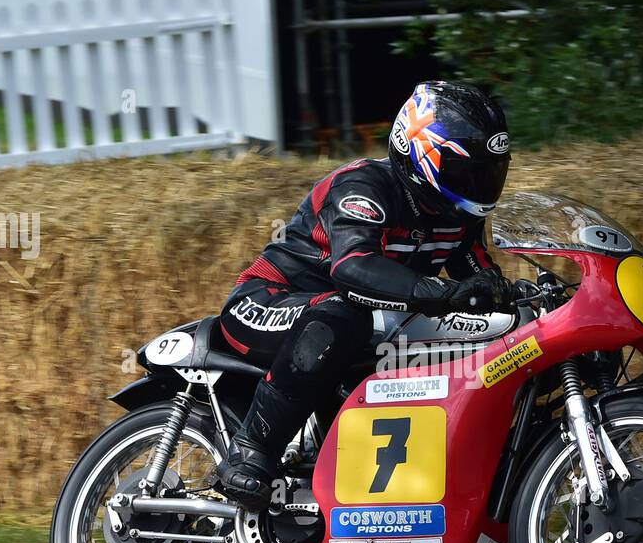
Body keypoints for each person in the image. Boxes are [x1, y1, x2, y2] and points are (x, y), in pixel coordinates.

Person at [214, 80, 514, 506]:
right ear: (419, 151)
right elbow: (352, 268)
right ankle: (250, 452)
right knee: (342, 315)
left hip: (344, 315)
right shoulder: (364, 186)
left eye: (489, 171)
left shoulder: (458, 216)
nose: (478, 183)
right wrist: (440, 292)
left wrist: (518, 299)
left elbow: (481, 284)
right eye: (466, 170)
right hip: (267, 300)